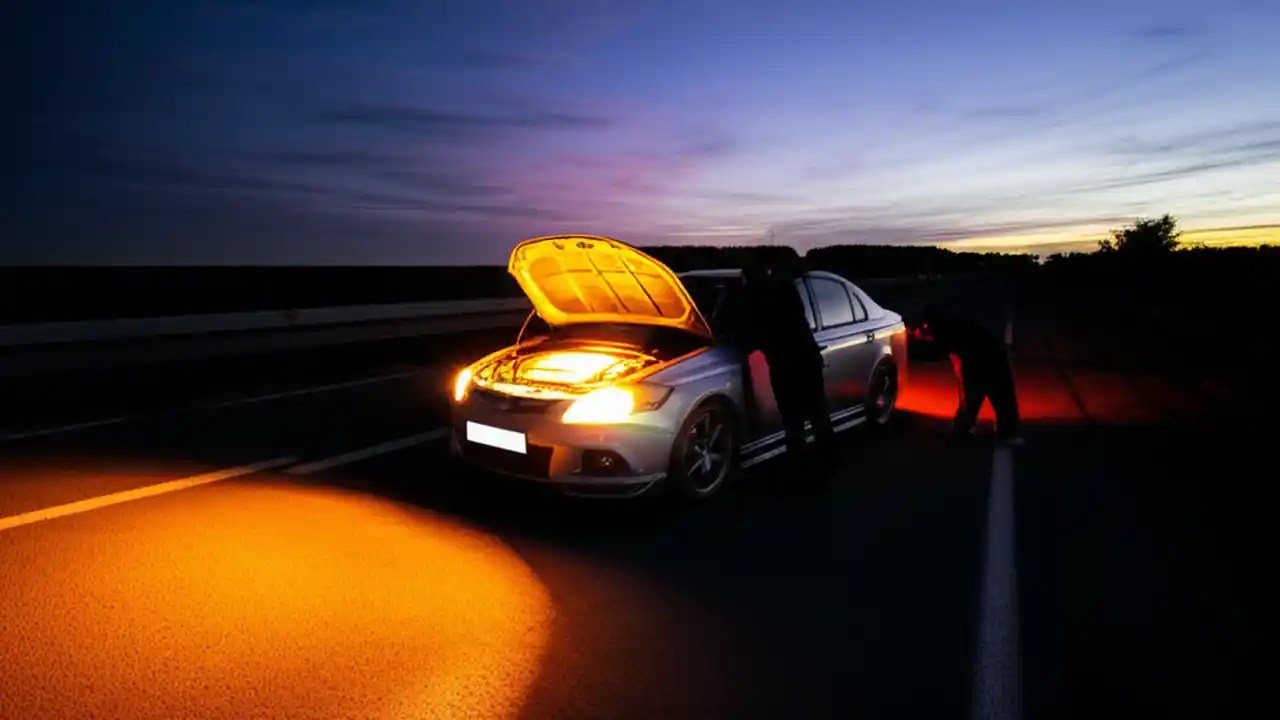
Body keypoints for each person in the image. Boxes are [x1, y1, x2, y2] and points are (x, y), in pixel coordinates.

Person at [740, 259, 836, 482]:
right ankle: (826, 461)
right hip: (807, 361)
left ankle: (801, 470)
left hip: (787, 367)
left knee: (794, 419)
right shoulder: (785, 291)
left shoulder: (761, 302)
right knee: (815, 412)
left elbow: (756, 337)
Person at [911, 304, 1023, 445]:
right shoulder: (953, 324)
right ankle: (1007, 431)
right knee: (999, 396)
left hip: (983, 360)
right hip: (991, 355)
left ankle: (967, 429)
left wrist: (917, 341)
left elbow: (936, 352)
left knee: (979, 396)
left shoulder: (945, 329)